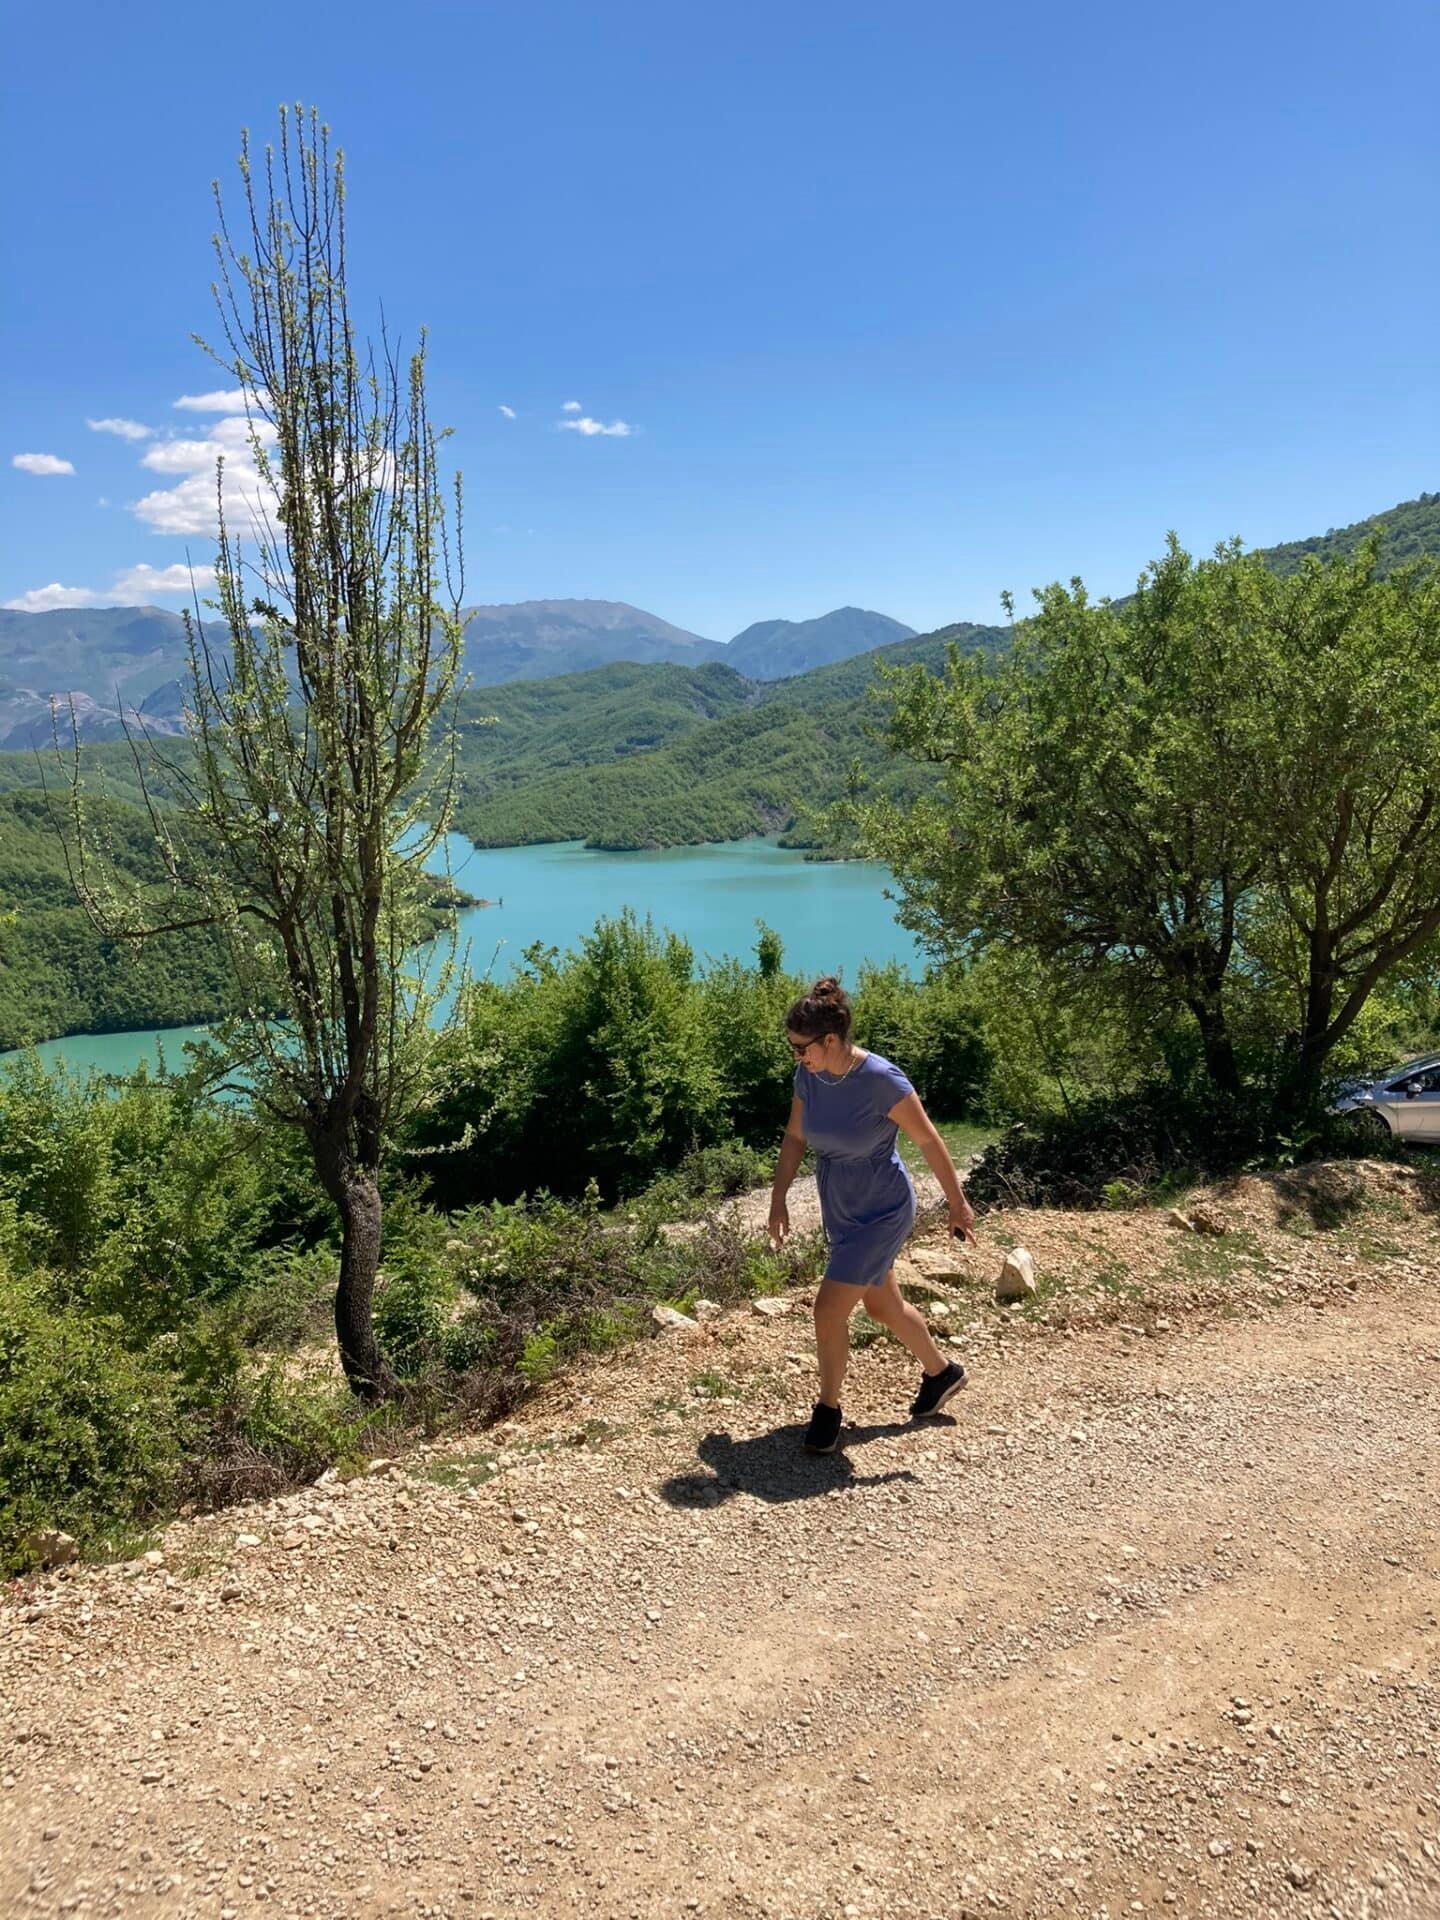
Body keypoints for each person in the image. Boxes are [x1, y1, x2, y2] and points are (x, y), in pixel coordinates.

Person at [767, 976, 978, 1454]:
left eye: (802, 1049)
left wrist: (957, 1203)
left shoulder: (881, 1080)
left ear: (830, 1040)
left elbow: (928, 1140)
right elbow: (796, 1137)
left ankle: (828, 1411)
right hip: (841, 1206)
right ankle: (942, 1373)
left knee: (828, 1310)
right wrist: (779, 1197)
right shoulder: (809, 1076)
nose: (796, 1058)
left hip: (883, 1207)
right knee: (882, 1307)